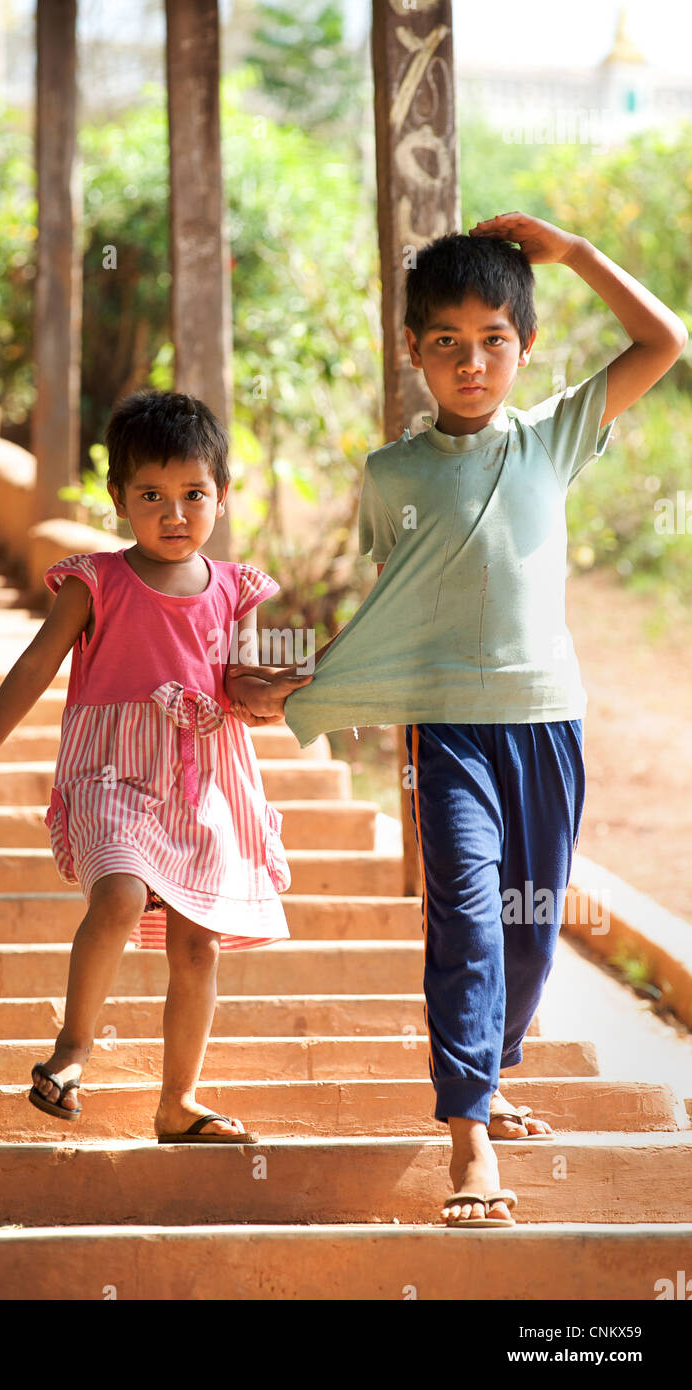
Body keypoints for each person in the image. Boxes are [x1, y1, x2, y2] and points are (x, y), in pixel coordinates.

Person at [229, 213, 688, 1222]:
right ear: (413, 353)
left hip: (545, 726)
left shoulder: (555, 437)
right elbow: (398, 612)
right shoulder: (391, 476)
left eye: (492, 340)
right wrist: (303, 683)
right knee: (469, 923)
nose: (470, 362)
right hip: (444, 734)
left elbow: (665, 341)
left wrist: (570, 253)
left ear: (523, 346)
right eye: (445, 342)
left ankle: (492, 1064)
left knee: (529, 932)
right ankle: (467, 1138)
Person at [0, 390, 311, 1143]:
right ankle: (71, 1050)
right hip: (111, 773)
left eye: (192, 495)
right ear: (118, 498)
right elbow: (35, 665)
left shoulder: (235, 589)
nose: (173, 513)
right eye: (151, 495)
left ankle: (176, 1102)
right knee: (117, 893)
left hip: (202, 778)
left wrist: (274, 694)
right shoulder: (96, 581)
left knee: (196, 942)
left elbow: (236, 680)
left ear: (219, 496)